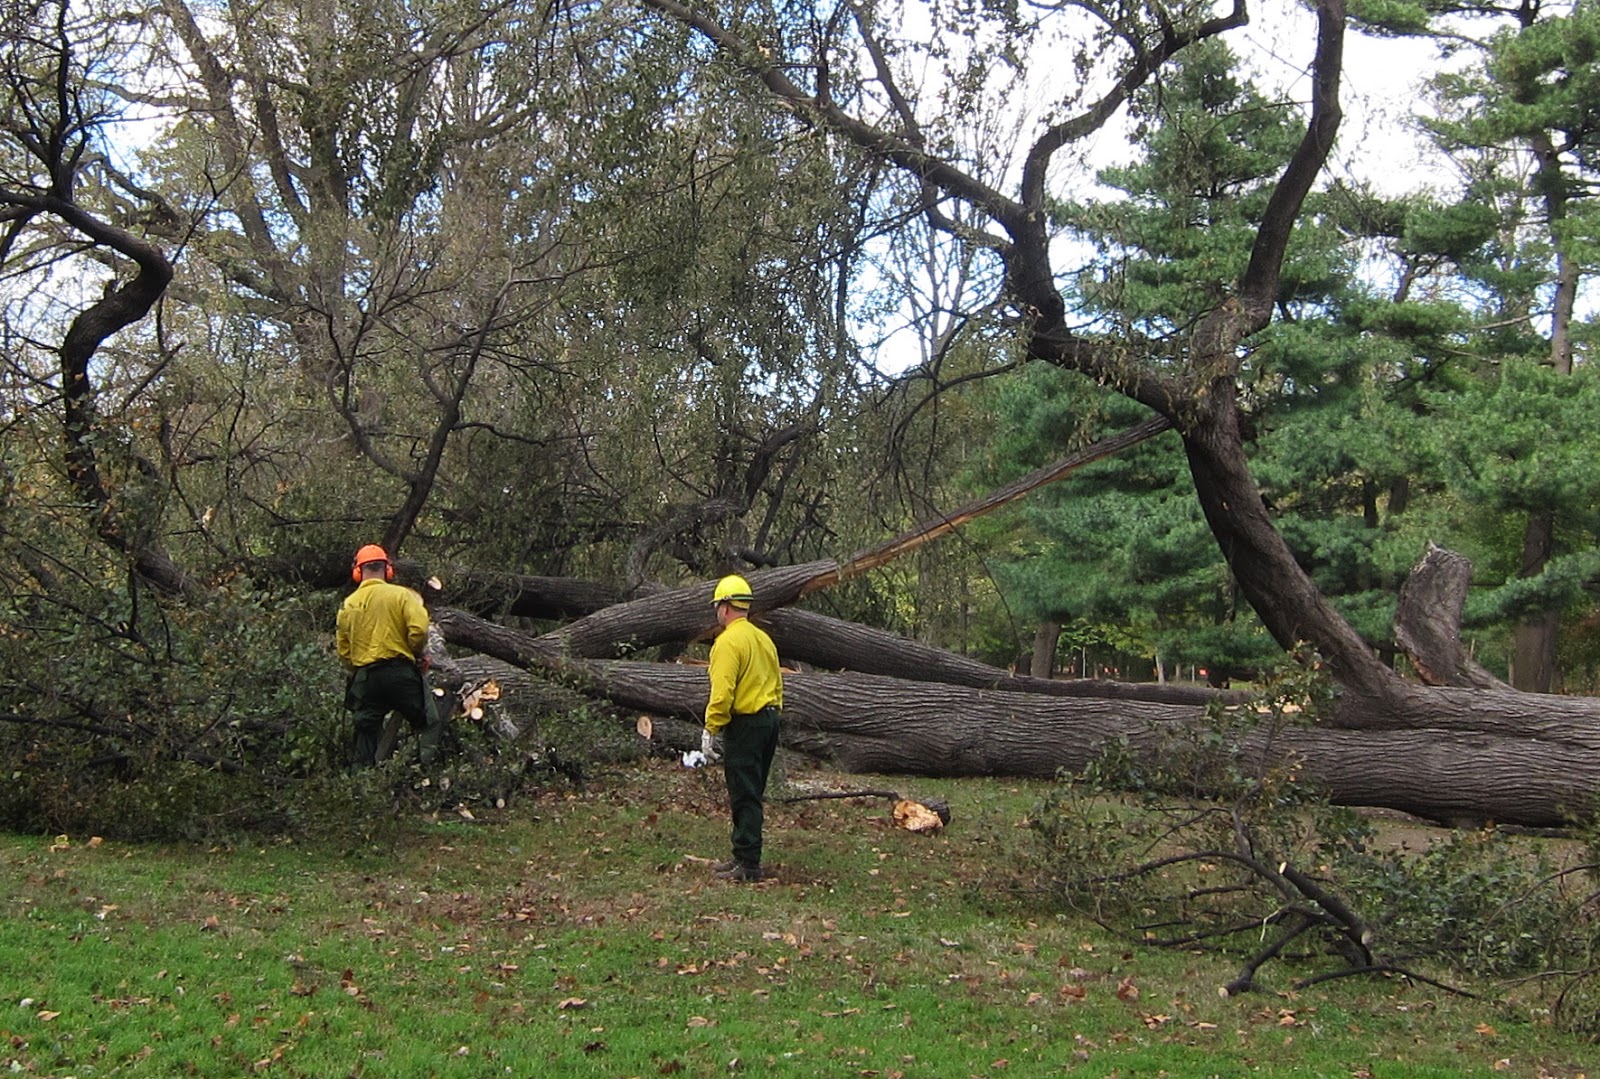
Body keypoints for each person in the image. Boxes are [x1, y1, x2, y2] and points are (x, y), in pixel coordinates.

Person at [701, 573, 783, 883]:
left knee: (743, 792)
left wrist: (711, 728)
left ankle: (748, 863)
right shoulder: (763, 640)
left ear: (724, 606)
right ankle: (742, 854)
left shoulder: (727, 643)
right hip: (769, 719)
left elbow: (722, 692)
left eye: (716, 606)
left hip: (746, 723)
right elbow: (777, 684)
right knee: (754, 789)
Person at [335, 544, 445, 769]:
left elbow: (344, 651)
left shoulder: (349, 605)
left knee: (366, 733)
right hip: (399, 673)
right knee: (429, 720)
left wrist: (357, 667)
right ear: (387, 570)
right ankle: (422, 772)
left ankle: (361, 786)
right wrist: (415, 653)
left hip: (365, 679)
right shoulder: (401, 595)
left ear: (358, 571)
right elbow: (420, 629)